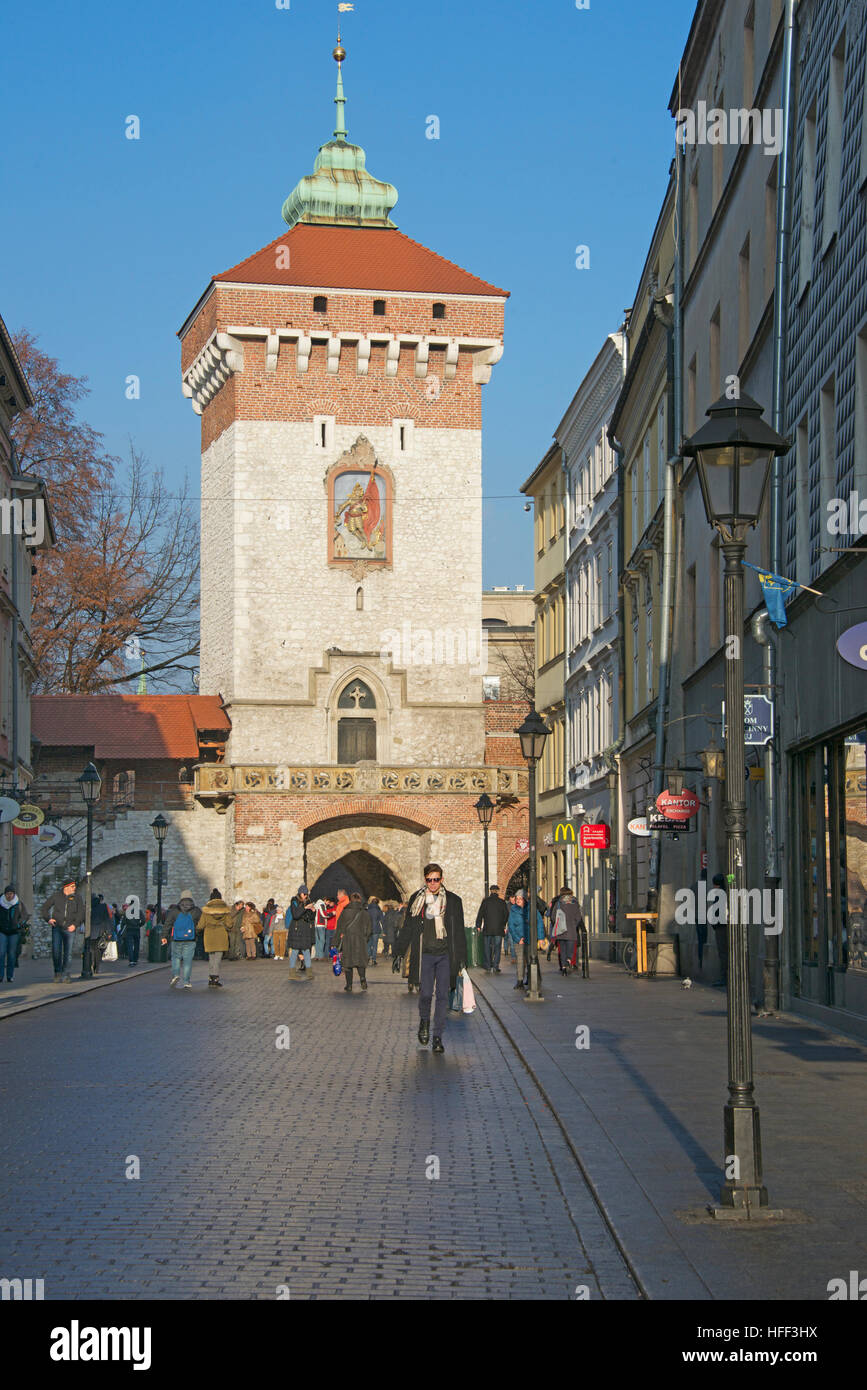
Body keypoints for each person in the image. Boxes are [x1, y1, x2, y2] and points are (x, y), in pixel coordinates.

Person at [393, 862, 466, 1054]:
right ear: (425, 880)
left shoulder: (453, 901)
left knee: (442, 996)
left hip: (445, 955)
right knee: (425, 994)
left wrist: (461, 958)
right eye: (429, 880)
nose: (433, 883)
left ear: (442, 879)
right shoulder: (418, 900)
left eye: (436, 879)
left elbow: (458, 932)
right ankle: (424, 1021)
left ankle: (437, 1037)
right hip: (424, 955)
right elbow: (408, 927)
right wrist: (399, 953)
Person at [42, 877, 86, 983]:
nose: (74, 888)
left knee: (68, 952)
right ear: (66, 887)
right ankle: (57, 972)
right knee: (56, 951)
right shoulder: (56, 896)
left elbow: (81, 913)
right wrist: (48, 919)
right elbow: (45, 908)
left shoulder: (77, 898)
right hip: (57, 927)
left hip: (70, 927)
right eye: (72, 886)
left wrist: (75, 925)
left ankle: (66, 974)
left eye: (74, 886)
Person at [334, 890, 371, 992]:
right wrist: (365, 939)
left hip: (348, 940)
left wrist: (335, 943)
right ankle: (362, 978)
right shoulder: (364, 913)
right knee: (360, 962)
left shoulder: (345, 912)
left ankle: (349, 985)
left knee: (348, 963)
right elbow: (369, 930)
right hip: (360, 940)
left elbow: (339, 929)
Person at [162, 892, 201, 990]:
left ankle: (176, 975)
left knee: (176, 957)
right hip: (191, 939)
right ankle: (186, 981)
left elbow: (168, 923)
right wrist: (196, 932)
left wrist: (164, 936)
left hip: (176, 939)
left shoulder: (175, 910)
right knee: (187, 961)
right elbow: (201, 924)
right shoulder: (196, 911)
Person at [196, 889, 234, 988]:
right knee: (218, 958)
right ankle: (215, 978)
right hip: (221, 935)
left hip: (209, 935)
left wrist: (198, 930)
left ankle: (210, 978)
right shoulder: (225, 910)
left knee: (211, 958)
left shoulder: (206, 911)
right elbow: (230, 924)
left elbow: (200, 925)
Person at [551, 886, 585, 977]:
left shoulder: (559, 902)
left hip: (561, 930)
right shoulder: (574, 902)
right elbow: (578, 917)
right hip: (571, 930)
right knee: (570, 950)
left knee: (562, 950)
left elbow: (553, 916)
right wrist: (574, 924)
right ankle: (568, 961)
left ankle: (563, 968)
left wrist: (558, 924)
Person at [475, 884, 508, 973]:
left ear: (490, 891)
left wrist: (478, 925)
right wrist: (503, 925)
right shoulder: (502, 902)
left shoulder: (485, 902)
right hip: (498, 929)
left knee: (487, 947)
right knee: (497, 948)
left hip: (488, 928)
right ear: (497, 891)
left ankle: (488, 965)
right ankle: (496, 965)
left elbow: (480, 913)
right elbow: (506, 915)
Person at [287, 886, 315, 979]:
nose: (306, 896)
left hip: (305, 929)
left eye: (307, 894)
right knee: (295, 951)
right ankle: (292, 974)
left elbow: (310, 917)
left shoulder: (308, 901)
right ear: (300, 893)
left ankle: (309, 973)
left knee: (306, 950)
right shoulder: (294, 901)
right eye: (304, 894)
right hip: (296, 929)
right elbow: (296, 915)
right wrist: (305, 907)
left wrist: (313, 911)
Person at [0, 885, 24, 983]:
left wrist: (19, 924)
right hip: (2, 931)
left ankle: (10, 976)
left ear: (14, 894)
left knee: (11, 954)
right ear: (5, 894)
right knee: (1, 953)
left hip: (14, 932)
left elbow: (25, 915)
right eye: (7, 894)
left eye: (11, 894)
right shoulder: (1, 902)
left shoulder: (18, 903)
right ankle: (0, 976)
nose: (9, 896)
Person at [86, 893, 111, 977]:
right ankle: (96, 966)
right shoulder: (103, 906)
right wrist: (109, 931)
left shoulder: (89, 907)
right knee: (97, 949)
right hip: (100, 930)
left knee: (91, 949)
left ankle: (91, 964)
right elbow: (107, 919)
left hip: (90, 930)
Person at [711, 873, 728, 986]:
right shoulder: (727, 893)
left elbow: (717, 912)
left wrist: (714, 923)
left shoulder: (719, 895)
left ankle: (724, 977)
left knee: (723, 953)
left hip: (721, 927)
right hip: (725, 925)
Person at [121, 895, 144, 966]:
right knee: (137, 945)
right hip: (136, 929)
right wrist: (139, 925)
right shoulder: (139, 911)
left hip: (129, 929)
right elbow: (143, 920)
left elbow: (124, 922)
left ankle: (131, 960)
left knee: (130, 945)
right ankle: (135, 959)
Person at [366, 895, 384, 966]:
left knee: (368, 944)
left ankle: (368, 957)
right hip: (376, 929)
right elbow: (382, 920)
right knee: (375, 945)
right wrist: (384, 930)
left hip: (369, 929)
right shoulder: (379, 910)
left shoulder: (368, 910)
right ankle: (374, 959)